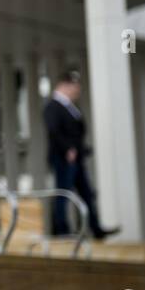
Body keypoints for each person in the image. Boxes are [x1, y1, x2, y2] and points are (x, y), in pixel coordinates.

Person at [43, 69, 119, 239]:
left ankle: (95, 227)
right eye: (74, 87)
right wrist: (67, 149)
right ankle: (61, 229)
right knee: (64, 193)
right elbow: (54, 131)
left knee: (86, 193)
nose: (77, 91)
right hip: (64, 158)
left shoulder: (70, 107)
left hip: (76, 157)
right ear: (65, 85)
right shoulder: (53, 106)